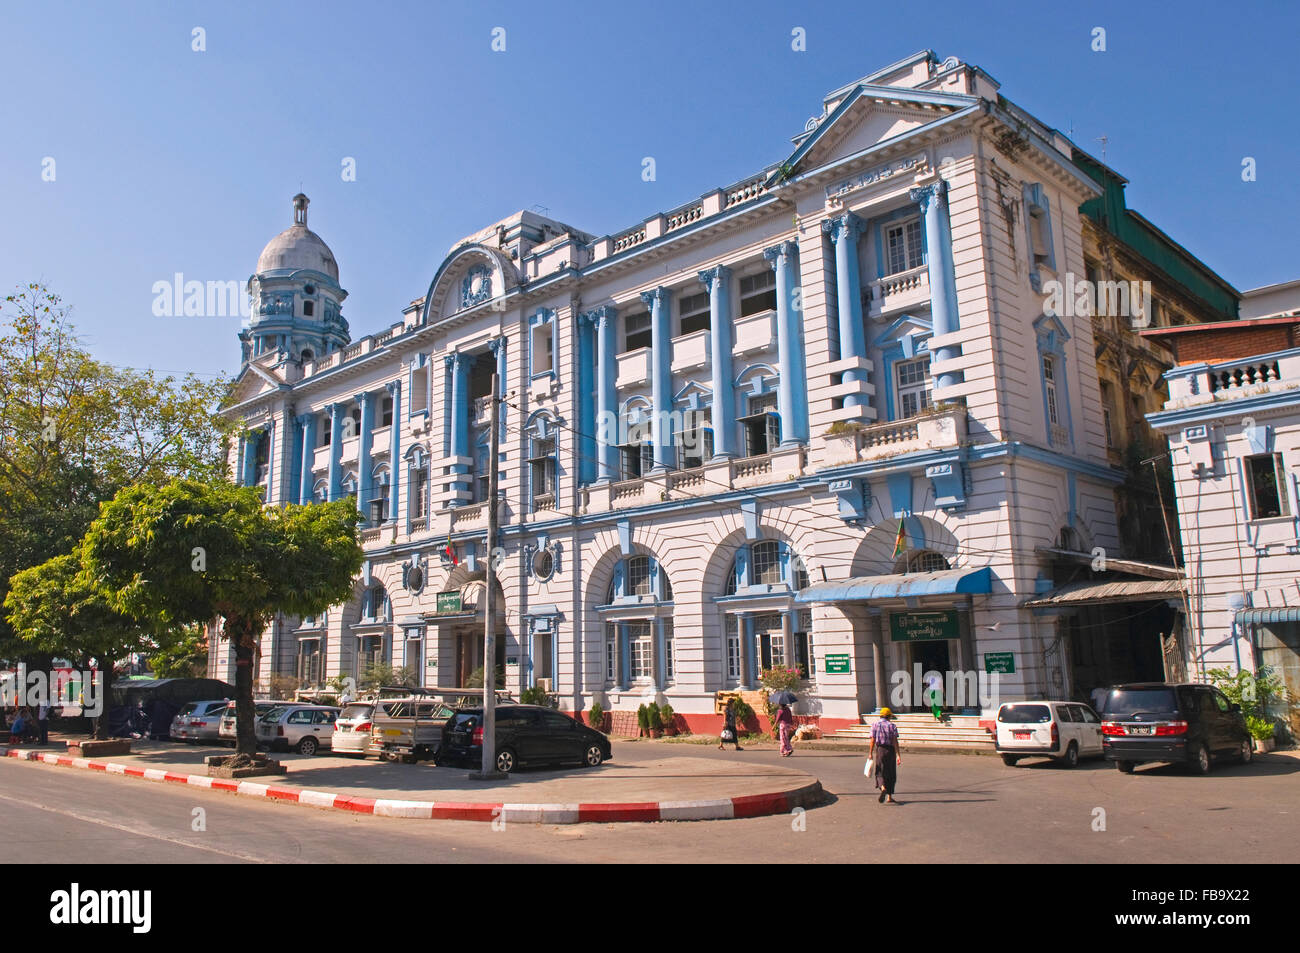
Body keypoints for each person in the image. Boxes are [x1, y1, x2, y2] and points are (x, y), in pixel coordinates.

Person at [869, 707, 902, 804]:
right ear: (889, 716)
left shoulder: (875, 725)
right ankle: (889, 797)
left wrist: (870, 753)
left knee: (880, 771)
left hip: (880, 750)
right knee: (890, 773)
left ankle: (883, 787)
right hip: (890, 751)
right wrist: (898, 755)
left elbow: (872, 740)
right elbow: (895, 741)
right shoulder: (892, 726)